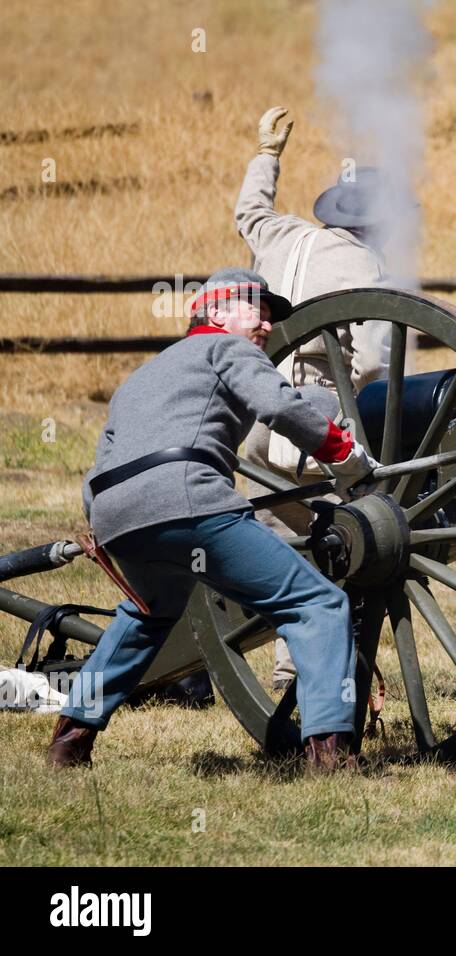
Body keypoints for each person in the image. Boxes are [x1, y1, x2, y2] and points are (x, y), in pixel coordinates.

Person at [48, 269, 379, 772]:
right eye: (257, 311)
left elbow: (101, 463)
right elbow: (276, 404)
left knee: (146, 616)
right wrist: (344, 454)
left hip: (115, 516)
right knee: (316, 604)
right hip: (187, 497)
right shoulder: (226, 348)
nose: (266, 326)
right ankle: (330, 757)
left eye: (269, 317)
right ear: (216, 313)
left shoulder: (141, 377)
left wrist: (108, 528)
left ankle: (70, 741)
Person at [235, 105, 398, 688]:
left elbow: (249, 211)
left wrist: (268, 153)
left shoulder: (281, 236)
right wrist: (354, 402)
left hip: (254, 428)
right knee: (337, 539)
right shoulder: (366, 266)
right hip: (319, 429)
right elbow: (375, 361)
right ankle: (306, 662)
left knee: (284, 541)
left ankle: (285, 662)